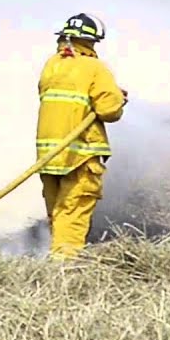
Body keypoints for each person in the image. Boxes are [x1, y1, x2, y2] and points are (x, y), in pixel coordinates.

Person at [35, 13, 128, 261]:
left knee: (57, 214)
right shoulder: (94, 67)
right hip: (80, 154)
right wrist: (118, 99)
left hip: (49, 157)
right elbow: (108, 110)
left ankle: (54, 260)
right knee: (72, 214)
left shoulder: (51, 66)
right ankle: (64, 271)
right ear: (91, 41)